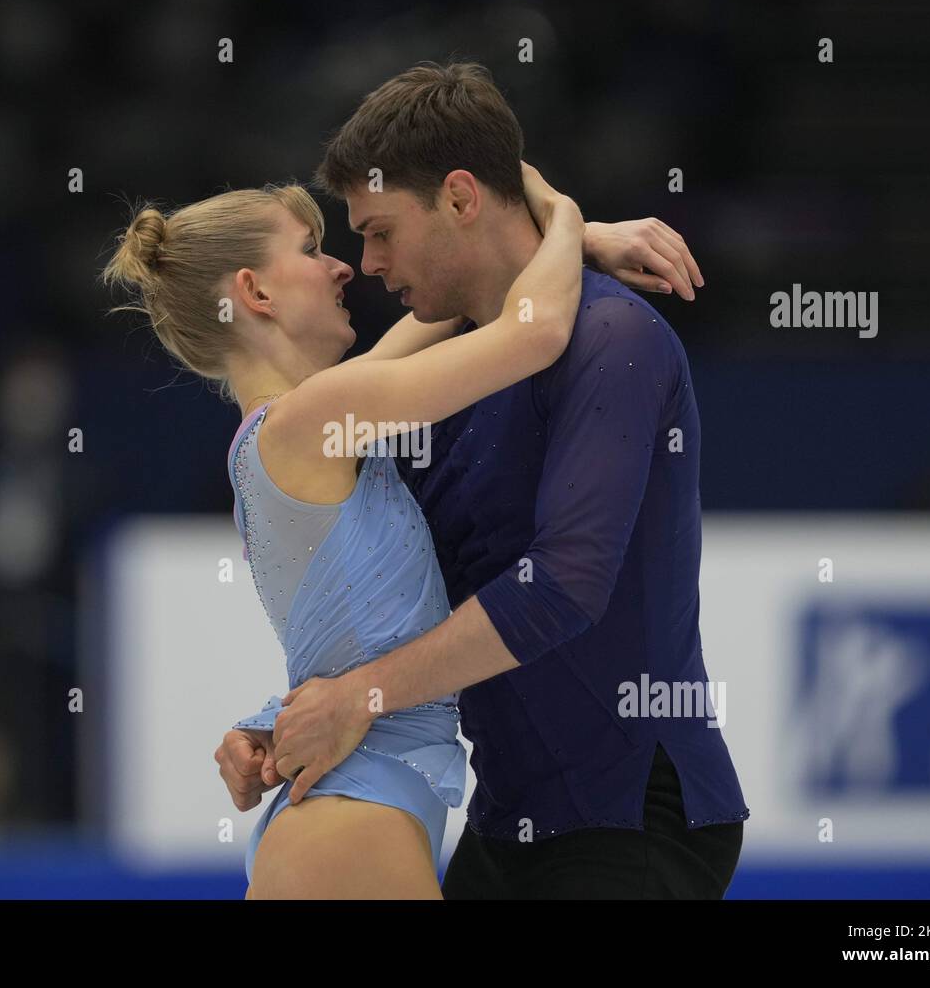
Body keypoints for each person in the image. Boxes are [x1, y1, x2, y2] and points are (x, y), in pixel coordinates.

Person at [216, 61, 750, 899]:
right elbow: (397, 606)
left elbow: (564, 585)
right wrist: (282, 723)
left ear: (461, 199)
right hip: (511, 823)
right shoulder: (443, 368)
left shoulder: (616, 340)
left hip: (632, 820)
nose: (367, 262)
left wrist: (360, 697)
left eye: (381, 230)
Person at [106, 158, 594, 897]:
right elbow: (537, 331)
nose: (341, 267)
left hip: (349, 817)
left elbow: (445, 315)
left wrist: (269, 724)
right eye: (309, 249)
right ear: (255, 291)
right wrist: (565, 219)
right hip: (349, 826)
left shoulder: (303, 426)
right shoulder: (313, 423)